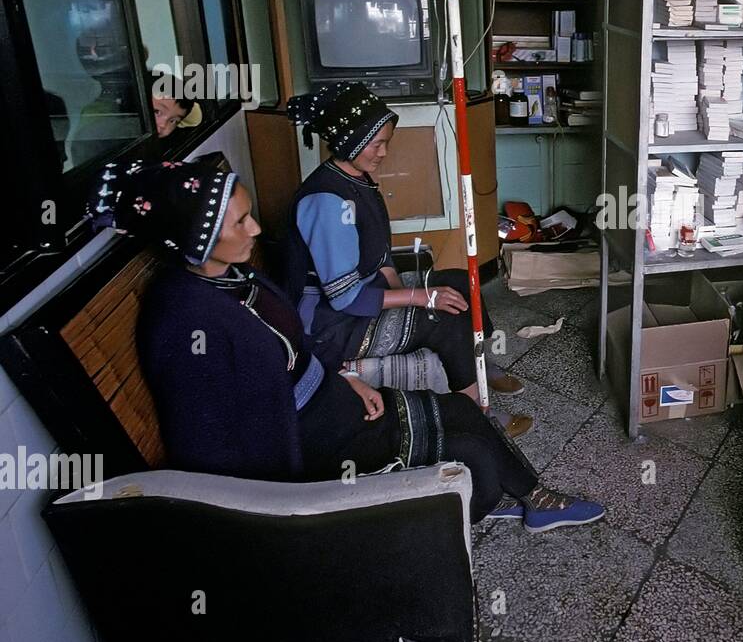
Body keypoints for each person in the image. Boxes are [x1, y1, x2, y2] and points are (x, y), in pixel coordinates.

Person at [88, 154, 605, 531]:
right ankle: (495, 497)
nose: (257, 227)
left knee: (460, 414)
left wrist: (346, 379)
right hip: (307, 444)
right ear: (197, 238)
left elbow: (293, 349)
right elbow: (215, 447)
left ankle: (534, 497)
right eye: (240, 221)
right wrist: (295, 507)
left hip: (328, 404)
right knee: (468, 452)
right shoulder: (183, 318)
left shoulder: (230, 278)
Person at [283, 82, 532, 438]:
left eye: (386, 141)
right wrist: (419, 299)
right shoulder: (326, 201)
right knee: (442, 318)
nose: (384, 152)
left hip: (361, 299)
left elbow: (381, 254)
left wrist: (406, 292)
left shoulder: (357, 180)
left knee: (461, 281)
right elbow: (343, 297)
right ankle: (478, 414)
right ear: (347, 139)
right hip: (330, 326)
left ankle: (479, 364)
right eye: (376, 143)